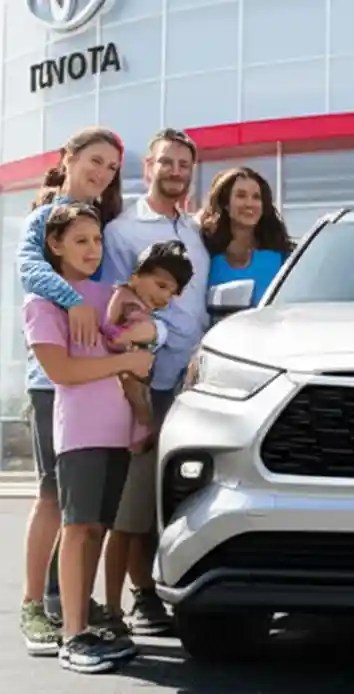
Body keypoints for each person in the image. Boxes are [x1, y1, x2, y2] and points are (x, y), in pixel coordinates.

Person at [16, 125, 132, 655]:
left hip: (99, 386)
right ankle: (33, 605)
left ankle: (68, 601)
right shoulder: (45, 218)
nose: (102, 172)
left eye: (111, 166)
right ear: (69, 158)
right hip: (54, 382)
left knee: (87, 508)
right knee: (52, 495)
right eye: (95, 160)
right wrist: (72, 299)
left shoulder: (103, 224)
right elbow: (28, 268)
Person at [23, 202, 153, 673]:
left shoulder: (108, 295)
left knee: (97, 529)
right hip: (79, 432)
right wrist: (124, 361)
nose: (92, 249)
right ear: (54, 245)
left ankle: (82, 625)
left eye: (97, 240)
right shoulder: (42, 304)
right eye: (80, 240)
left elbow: (143, 337)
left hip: (120, 431)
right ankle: (72, 635)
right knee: (77, 529)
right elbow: (63, 371)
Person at [99, 128, 211, 635]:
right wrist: (155, 335)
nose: (175, 171)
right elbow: (117, 313)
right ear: (148, 168)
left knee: (177, 498)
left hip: (196, 384)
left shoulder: (196, 233)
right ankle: (132, 599)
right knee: (134, 503)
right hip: (145, 384)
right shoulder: (123, 232)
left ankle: (166, 589)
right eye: (166, 162)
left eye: (184, 164)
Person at [102, 241, 194, 433]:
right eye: (161, 286)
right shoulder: (125, 296)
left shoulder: (146, 309)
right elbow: (111, 328)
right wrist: (125, 336)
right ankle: (144, 425)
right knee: (142, 410)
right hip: (125, 370)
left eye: (171, 293)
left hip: (142, 372)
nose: (165, 297)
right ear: (135, 277)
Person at [201, 166, 292, 307]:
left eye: (256, 197)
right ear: (225, 203)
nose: (250, 204)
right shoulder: (204, 252)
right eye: (241, 196)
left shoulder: (283, 257)